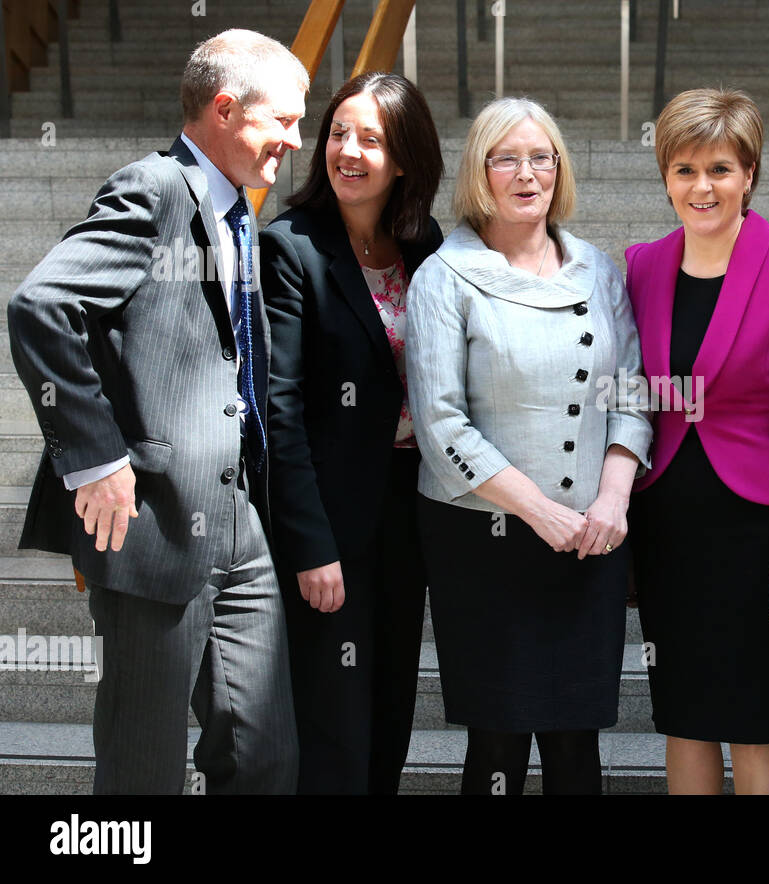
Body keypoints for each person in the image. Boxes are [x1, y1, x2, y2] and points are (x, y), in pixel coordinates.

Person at [6, 30, 307, 793]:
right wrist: (98, 458)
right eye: (285, 121)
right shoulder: (153, 189)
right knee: (143, 764)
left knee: (263, 755)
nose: (295, 140)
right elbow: (41, 305)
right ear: (226, 108)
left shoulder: (238, 210)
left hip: (240, 519)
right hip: (152, 523)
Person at [405, 97, 652, 795]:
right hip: (483, 537)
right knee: (498, 737)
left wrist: (612, 498)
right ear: (480, 172)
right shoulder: (444, 278)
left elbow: (631, 395)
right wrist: (538, 511)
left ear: (559, 169)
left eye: (541, 157)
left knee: (577, 740)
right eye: (506, 157)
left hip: (592, 538)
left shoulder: (600, 272)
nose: (526, 173)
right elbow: (441, 425)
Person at [624, 88, 769, 795]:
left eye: (719, 168)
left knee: (753, 717)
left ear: (750, 173)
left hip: (755, 529)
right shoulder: (642, 265)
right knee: (683, 715)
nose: (702, 187)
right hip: (667, 524)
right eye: (684, 170)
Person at [259, 72, 443, 794]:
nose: (349, 150)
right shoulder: (291, 249)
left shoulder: (422, 246)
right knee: (335, 723)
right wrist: (311, 546)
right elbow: (279, 410)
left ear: (404, 158)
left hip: (411, 512)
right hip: (331, 525)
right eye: (340, 133)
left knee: (391, 707)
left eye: (372, 138)